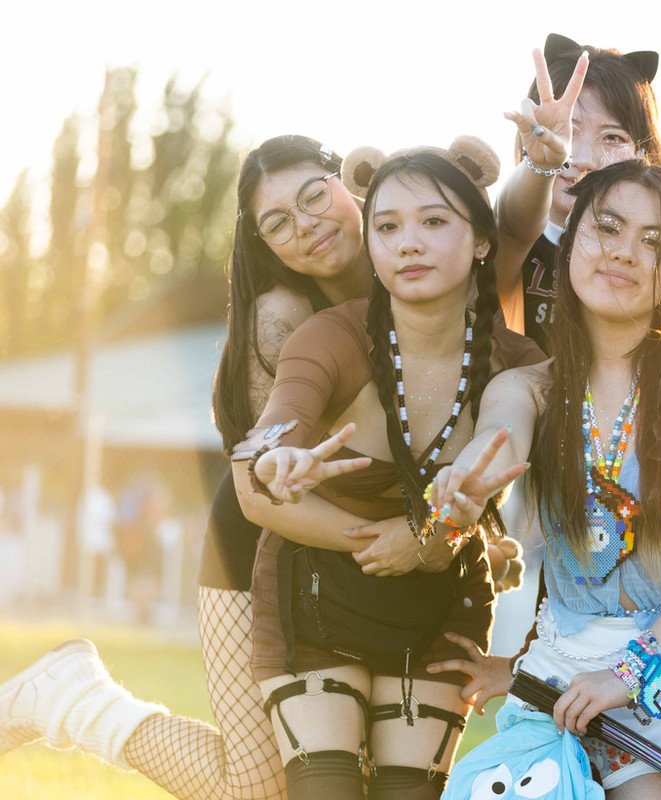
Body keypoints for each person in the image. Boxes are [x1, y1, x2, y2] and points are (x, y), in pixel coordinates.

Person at [0, 135, 382, 800]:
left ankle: (72, 693)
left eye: (314, 196)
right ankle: (71, 700)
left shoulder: (422, 261)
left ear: (348, 177)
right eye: (277, 223)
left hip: (365, 551)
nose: (306, 226)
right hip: (265, 546)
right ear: (264, 246)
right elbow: (273, 487)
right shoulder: (282, 317)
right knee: (256, 789)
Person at [426, 159, 661, 796]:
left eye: (653, 242)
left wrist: (630, 673)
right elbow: (492, 442)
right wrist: (466, 485)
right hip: (559, 675)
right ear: (569, 243)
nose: (625, 253)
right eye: (608, 228)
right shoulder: (526, 388)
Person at [236, 142, 542, 799]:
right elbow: (276, 428)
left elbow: (513, 473)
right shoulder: (326, 336)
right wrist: (276, 458)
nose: (409, 243)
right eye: (388, 227)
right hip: (316, 597)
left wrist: (434, 537)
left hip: (441, 603)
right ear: (370, 244)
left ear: (483, 242)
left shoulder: (519, 364)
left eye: (434, 223)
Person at [496, 33, 661, 351]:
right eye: (567, 130)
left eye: (613, 137)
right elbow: (512, 224)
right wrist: (540, 165)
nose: (584, 158)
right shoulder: (503, 235)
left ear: (644, 153)